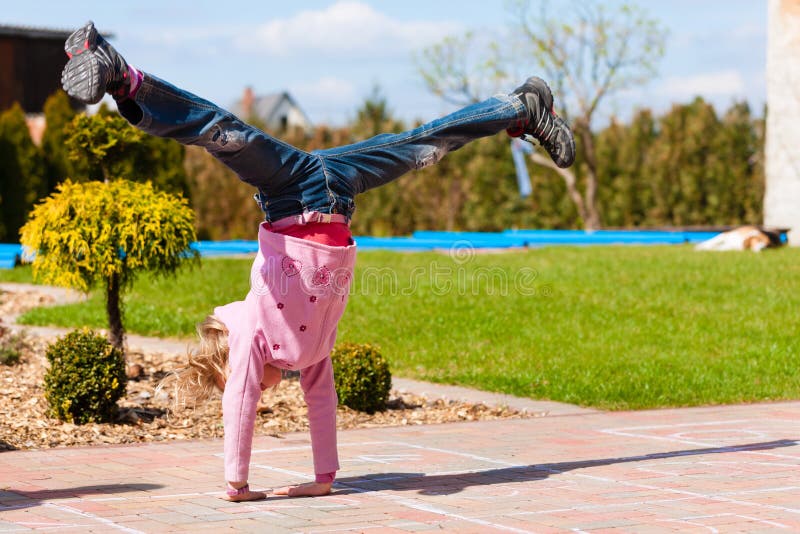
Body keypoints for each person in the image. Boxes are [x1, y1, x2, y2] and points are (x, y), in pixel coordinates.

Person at [60, 21, 575, 502]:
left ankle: (121, 76)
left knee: (222, 134)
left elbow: (239, 404)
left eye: (243, 380)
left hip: (287, 192)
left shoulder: (251, 339)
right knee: (425, 144)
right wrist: (323, 480)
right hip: (337, 189)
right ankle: (520, 107)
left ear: (234, 367)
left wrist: (236, 482)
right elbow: (322, 403)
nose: (260, 392)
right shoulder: (306, 354)